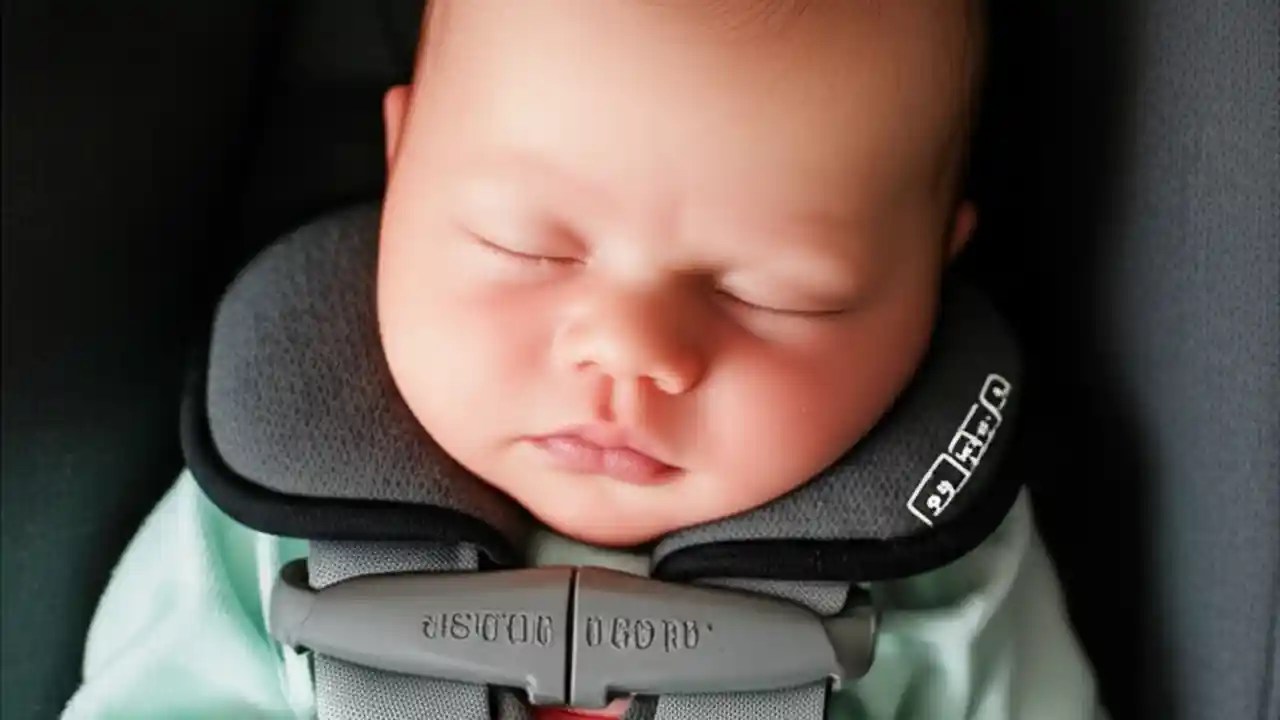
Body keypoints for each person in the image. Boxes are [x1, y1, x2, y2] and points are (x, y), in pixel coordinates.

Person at [64, 1, 1104, 718]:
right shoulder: (272, 521)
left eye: (773, 293)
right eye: (528, 245)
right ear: (403, 168)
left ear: (928, 276)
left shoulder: (934, 568)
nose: (630, 349)